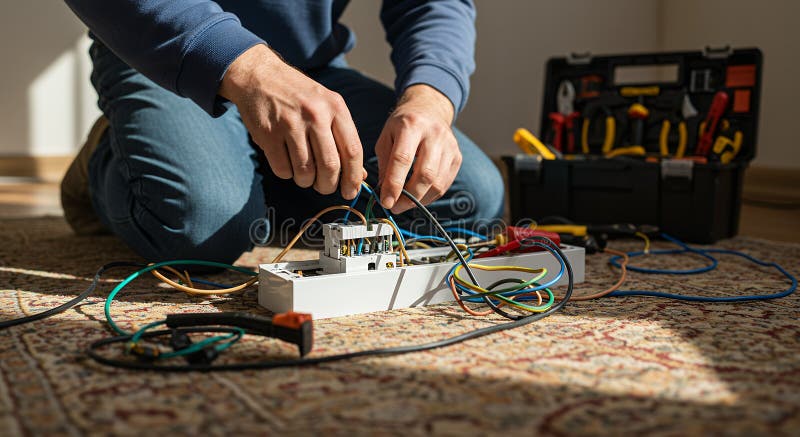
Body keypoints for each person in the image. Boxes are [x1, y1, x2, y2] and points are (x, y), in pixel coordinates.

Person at [61, 0, 504, 263]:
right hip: (172, 56)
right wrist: (250, 70)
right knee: (198, 228)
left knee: (466, 200)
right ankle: (107, 155)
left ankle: (245, 175)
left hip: (311, 70)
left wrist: (430, 97)